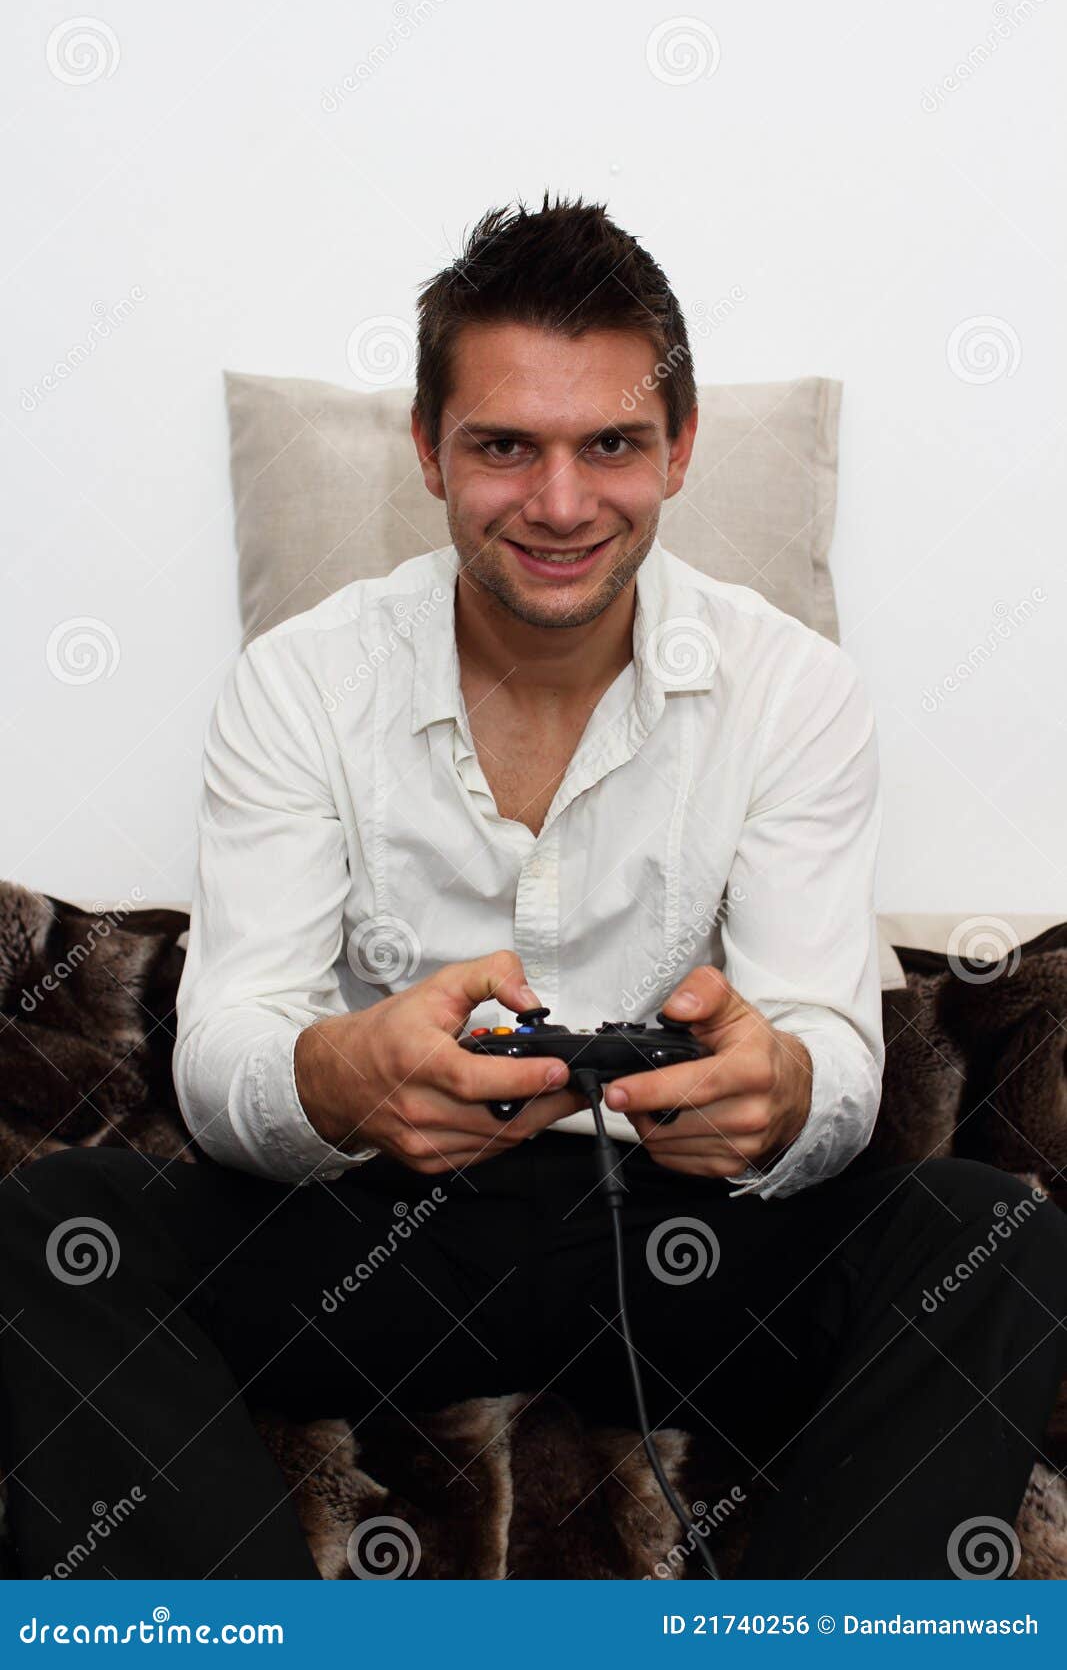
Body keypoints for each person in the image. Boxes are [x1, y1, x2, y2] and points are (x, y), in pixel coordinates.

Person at [1, 195, 1064, 1581]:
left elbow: (833, 1046)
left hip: (682, 1232)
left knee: (987, 1236)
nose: (560, 504)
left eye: (611, 443)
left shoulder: (794, 690)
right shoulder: (300, 683)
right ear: (429, 451)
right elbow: (226, 1048)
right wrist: (343, 1072)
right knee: (48, 1226)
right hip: (386, 1228)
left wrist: (781, 1090)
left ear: (679, 450)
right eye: (505, 445)